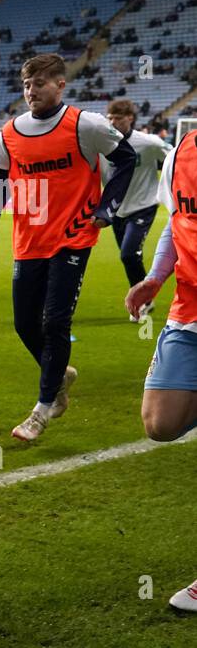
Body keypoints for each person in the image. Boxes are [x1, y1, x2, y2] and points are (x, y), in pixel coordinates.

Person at [0, 53, 137, 441]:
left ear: (60, 85)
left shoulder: (86, 125)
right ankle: (61, 375)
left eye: (40, 84)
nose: (32, 91)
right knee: (23, 323)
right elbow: (0, 179)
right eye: (27, 85)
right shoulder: (10, 132)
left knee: (55, 321)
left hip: (74, 236)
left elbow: (127, 159)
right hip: (29, 239)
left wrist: (106, 208)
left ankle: (43, 407)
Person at [124, 127, 197, 612]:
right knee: (160, 423)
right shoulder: (182, 153)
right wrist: (155, 276)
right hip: (188, 310)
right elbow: (176, 221)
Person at [103, 98, 172, 321]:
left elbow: (173, 160)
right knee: (129, 257)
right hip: (117, 209)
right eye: (110, 118)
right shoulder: (102, 145)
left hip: (143, 206)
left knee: (129, 254)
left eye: (118, 118)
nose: (113, 122)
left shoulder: (149, 143)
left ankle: (142, 302)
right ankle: (144, 296)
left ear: (130, 118)